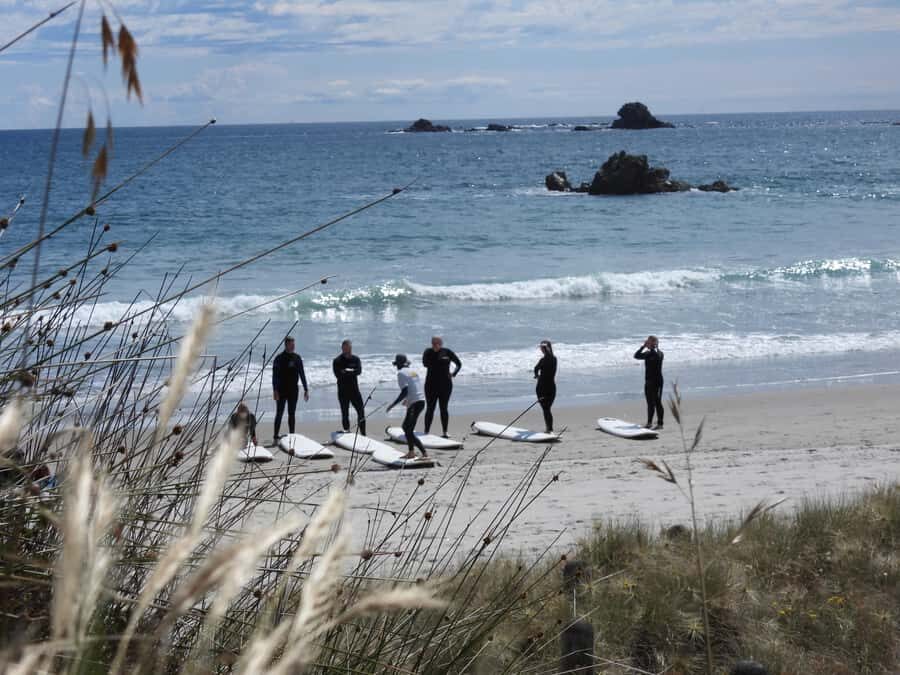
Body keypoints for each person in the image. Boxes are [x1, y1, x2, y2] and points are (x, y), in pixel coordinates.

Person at [385, 354, 428, 459]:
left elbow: (405, 391)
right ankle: (411, 452)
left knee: (407, 429)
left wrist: (393, 404)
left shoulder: (400, 373)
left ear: (398, 364)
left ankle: (424, 453)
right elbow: (415, 388)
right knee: (407, 428)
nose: (396, 367)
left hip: (415, 403)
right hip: (420, 401)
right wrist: (408, 400)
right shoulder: (413, 372)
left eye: (396, 365)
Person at [422, 336, 461, 437]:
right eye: (433, 343)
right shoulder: (428, 352)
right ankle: (426, 432)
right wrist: (436, 355)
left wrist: (453, 373)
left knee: (444, 408)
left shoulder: (447, 352)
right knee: (430, 408)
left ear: (441, 343)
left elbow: (459, 364)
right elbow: (425, 364)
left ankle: (445, 432)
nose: (434, 344)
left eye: (437, 343)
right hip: (431, 385)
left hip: (446, 385)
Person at [272, 336, 308, 441]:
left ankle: (292, 435)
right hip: (281, 390)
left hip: (293, 390)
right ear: (286, 344)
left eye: (294, 344)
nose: (293, 346)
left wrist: (306, 389)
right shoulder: (279, 358)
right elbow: (275, 376)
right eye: (291, 344)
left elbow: (302, 373)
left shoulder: (297, 358)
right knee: (279, 413)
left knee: (291, 413)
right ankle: (275, 436)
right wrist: (275, 390)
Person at [333, 339, 366, 436]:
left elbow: (359, 371)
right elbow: (338, 375)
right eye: (345, 348)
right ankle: (347, 433)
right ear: (342, 348)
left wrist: (346, 372)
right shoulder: (337, 361)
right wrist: (351, 372)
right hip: (343, 392)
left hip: (355, 391)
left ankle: (363, 434)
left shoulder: (356, 359)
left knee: (361, 412)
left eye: (349, 348)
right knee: (345, 414)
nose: (347, 350)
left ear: (351, 348)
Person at [634, 335, 664, 430]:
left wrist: (653, 347)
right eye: (647, 341)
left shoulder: (659, 353)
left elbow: (656, 355)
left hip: (657, 381)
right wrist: (642, 347)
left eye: (649, 341)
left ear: (655, 343)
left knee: (657, 402)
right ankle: (649, 423)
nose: (648, 343)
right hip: (648, 381)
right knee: (650, 403)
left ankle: (660, 424)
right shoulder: (648, 353)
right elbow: (636, 356)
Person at [534, 340, 557, 433]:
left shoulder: (550, 359)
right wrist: (537, 376)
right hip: (543, 388)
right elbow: (535, 369)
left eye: (542, 348)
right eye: (541, 348)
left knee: (546, 409)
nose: (541, 349)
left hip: (547, 388)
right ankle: (549, 429)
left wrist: (537, 376)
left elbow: (536, 369)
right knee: (546, 409)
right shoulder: (550, 359)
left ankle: (549, 429)